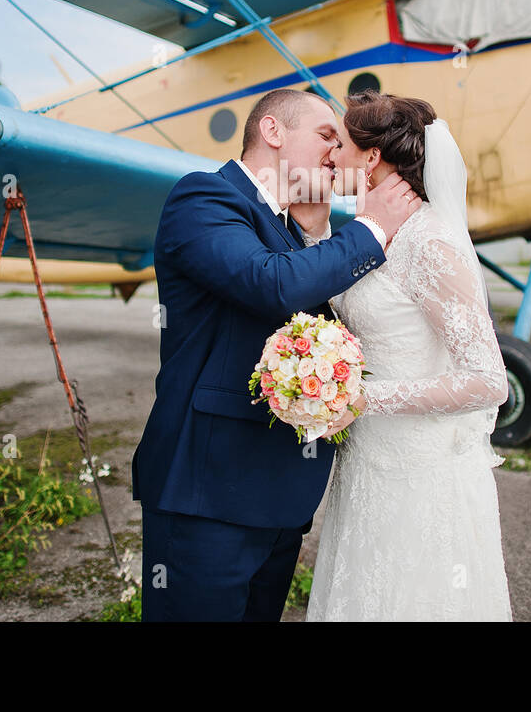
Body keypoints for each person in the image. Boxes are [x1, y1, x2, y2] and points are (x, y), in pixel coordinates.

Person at [132, 87, 421, 622]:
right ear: (272, 132)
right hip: (208, 491)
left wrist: (315, 235)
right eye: (325, 135)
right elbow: (270, 285)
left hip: (279, 497)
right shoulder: (203, 199)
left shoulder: (295, 232)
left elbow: (312, 324)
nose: (336, 153)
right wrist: (373, 228)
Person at [291, 89, 513, 621]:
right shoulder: (375, 234)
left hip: (419, 469)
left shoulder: (429, 242)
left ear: (371, 157)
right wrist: (316, 227)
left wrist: (361, 397)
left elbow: (488, 381)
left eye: (338, 143)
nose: (330, 155)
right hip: (369, 462)